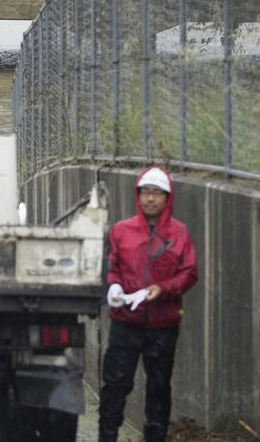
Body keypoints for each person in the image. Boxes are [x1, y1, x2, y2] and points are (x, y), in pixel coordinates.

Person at [99, 166, 199, 442]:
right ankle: (106, 436)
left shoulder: (180, 234)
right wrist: (115, 286)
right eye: (146, 192)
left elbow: (190, 273)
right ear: (138, 195)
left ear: (168, 198)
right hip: (125, 322)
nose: (151, 198)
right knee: (115, 386)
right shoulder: (121, 231)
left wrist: (162, 289)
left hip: (163, 325)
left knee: (158, 389)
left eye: (157, 193)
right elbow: (112, 267)